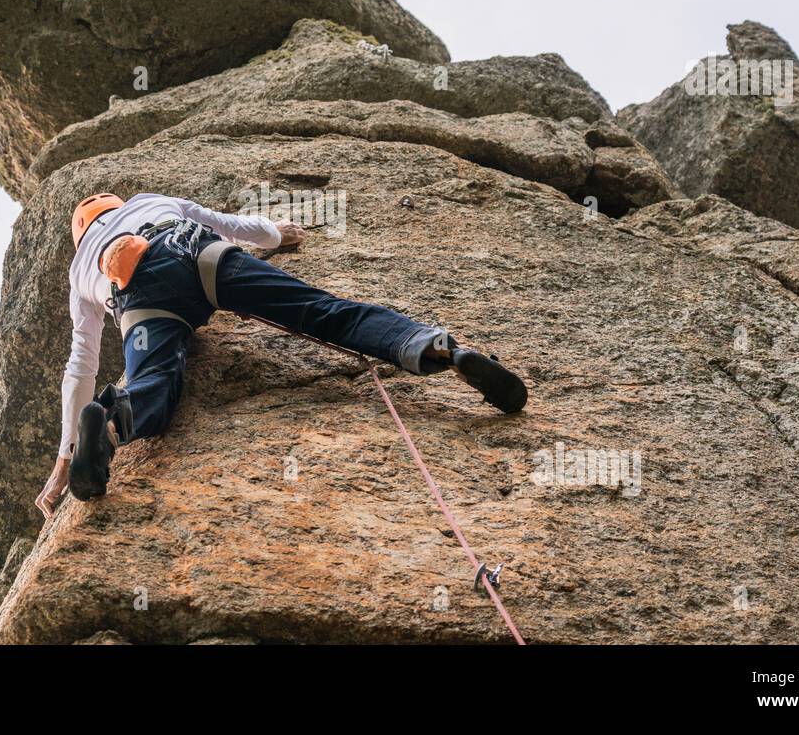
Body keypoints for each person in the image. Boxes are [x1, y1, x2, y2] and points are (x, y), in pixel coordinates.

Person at [35, 192, 527, 516]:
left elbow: (81, 360)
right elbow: (224, 223)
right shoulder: (148, 199)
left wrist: (64, 455)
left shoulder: (81, 268)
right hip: (195, 251)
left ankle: (110, 419)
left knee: (156, 386)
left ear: (82, 235)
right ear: (115, 205)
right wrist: (276, 234)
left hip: (141, 297)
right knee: (324, 313)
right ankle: (438, 348)